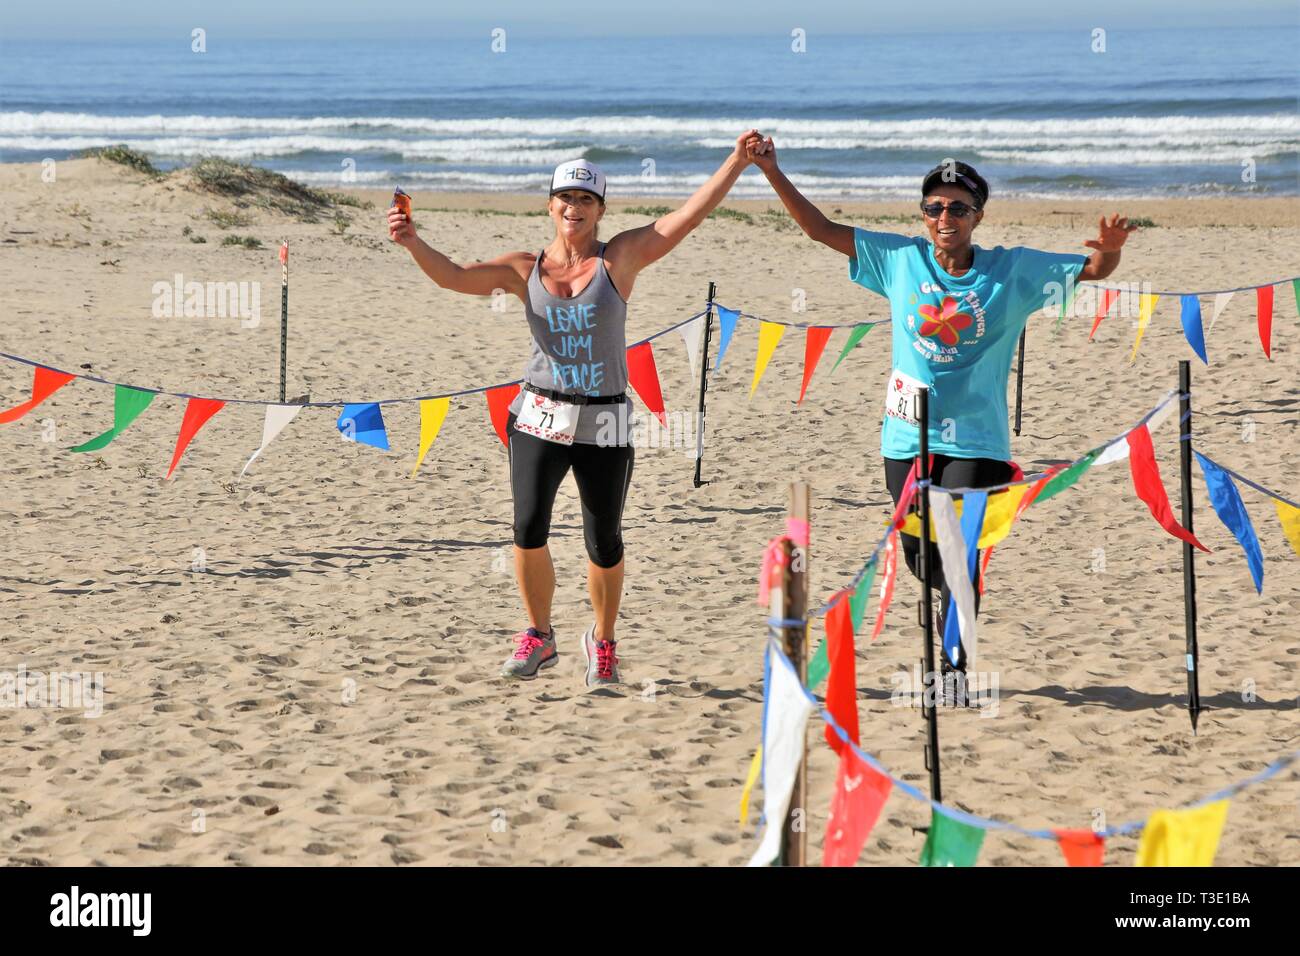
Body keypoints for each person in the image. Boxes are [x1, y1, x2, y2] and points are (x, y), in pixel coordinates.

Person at [748, 141, 1136, 705]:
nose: (944, 218)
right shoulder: (900, 261)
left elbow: (1094, 269)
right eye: (934, 207)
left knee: (958, 550)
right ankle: (950, 600)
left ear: (978, 215)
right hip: (906, 437)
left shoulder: (1013, 271)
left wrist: (1111, 251)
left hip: (978, 440)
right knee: (923, 558)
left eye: (957, 208)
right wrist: (771, 170)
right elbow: (819, 229)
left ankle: (954, 669)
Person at [388, 132, 763, 687]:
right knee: (527, 527)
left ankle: (602, 641)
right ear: (550, 205)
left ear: (600, 210)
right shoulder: (523, 268)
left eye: (586, 199)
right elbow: (455, 276)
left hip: (605, 418)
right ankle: (539, 635)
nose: (574, 207)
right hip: (538, 413)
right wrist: (414, 242)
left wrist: (737, 160)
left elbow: (687, 215)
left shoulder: (621, 258)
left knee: (603, 538)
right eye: (565, 197)